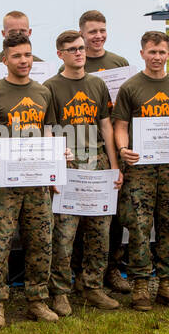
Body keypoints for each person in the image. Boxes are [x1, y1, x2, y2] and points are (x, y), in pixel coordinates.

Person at [0, 30, 60, 327]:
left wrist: (56, 160)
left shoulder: (43, 92)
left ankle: (38, 299)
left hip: (36, 181)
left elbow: (48, 131)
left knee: (41, 240)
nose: (24, 61)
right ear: (5, 59)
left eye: (28, 55)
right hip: (2, 182)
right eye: (17, 56)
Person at [111, 30, 169, 311]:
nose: (157, 57)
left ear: (168, 54)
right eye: (152, 52)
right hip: (141, 170)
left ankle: (166, 285)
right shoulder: (130, 87)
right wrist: (124, 149)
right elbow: (121, 126)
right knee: (139, 227)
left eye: (162, 52)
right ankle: (140, 285)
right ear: (142, 54)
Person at [45, 29, 122, 313]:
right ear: (60, 54)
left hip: (97, 161)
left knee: (99, 231)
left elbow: (106, 125)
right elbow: (48, 131)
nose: (79, 53)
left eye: (80, 48)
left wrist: (114, 166)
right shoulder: (50, 87)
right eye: (72, 49)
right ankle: (60, 291)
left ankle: (92, 286)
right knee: (64, 234)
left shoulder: (97, 84)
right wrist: (55, 166)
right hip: (68, 163)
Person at [78, 9, 132, 295]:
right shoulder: (76, 62)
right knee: (80, 212)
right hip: (83, 148)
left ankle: (113, 268)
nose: (98, 36)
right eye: (92, 32)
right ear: (81, 34)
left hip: (111, 144)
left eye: (102, 30)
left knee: (112, 214)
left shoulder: (119, 63)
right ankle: (81, 272)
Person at [0, 10, 45, 91]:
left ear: (29, 32)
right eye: (12, 32)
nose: (18, 34)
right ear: (3, 33)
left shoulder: (42, 65)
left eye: (23, 31)